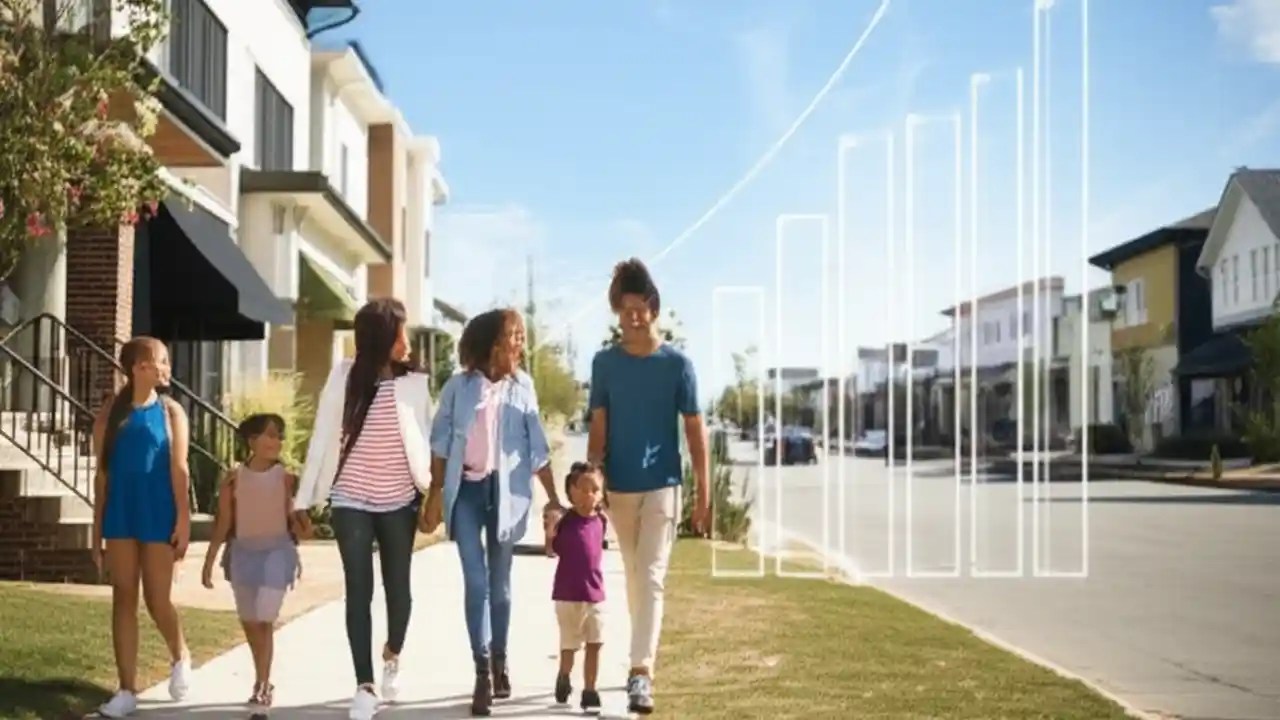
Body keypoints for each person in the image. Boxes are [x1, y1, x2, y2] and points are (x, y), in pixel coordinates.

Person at [293, 298, 435, 720]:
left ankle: (393, 651)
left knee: (400, 592)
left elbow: (429, 440)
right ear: (382, 337)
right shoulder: (343, 377)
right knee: (359, 589)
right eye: (400, 333)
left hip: (399, 500)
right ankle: (365, 684)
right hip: (351, 497)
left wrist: (435, 496)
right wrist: (303, 499)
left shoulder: (416, 383)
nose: (406, 341)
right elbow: (321, 439)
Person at [422, 307, 566, 717]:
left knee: (500, 584)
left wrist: (553, 499)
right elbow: (440, 442)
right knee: (475, 579)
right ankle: (482, 669)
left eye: (522, 336)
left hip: (507, 492)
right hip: (466, 492)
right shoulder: (457, 387)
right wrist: (435, 493)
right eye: (514, 336)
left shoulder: (524, 387)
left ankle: (501, 659)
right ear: (492, 344)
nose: (521, 343)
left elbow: (537, 448)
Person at [587, 258, 709, 715]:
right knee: (636, 581)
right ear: (617, 312)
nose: (634, 315)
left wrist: (703, 496)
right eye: (626, 307)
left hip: (663, 485)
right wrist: (593, 478)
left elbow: (696, 432)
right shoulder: (604, 363)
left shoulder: (678, 365)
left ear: (654, 310)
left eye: (642, 306)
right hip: (619, 487)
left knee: (652, 577)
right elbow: (599, 427)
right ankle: (641, 659)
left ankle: (641, 673)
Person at [92, 337, 194, 718]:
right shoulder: (109, 415)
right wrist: (95, 529)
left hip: (158, 513)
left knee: (157, 598)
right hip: (120, 514)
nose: (167, 368)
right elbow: (101, 477)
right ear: (138, 368)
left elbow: (179, 469)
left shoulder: (171, 413)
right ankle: (126, 690)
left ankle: (180, 654)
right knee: (123, 597)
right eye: (161, 361)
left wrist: (183, 520)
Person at [201, 413, 305, 718]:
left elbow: (300, 524)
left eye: (279, 436)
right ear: (252, 440)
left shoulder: (287, 478)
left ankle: (264, 682)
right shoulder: (233, 479)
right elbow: (223, 523)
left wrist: (301, 517)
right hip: (243, 554)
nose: (277, 441)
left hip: (277, 552)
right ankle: (261, 676)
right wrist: (208, 563)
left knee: (264, 617)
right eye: (270, 435)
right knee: (249, 620)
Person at [547, 461, 608, 716]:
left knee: (596, 642)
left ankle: (590, 690)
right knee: (570, 645)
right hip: (567, 595)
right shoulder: (566, 522)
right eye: (583, 489)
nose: (589, 494)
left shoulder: (601, 521)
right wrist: (550, 529)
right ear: (570, 491)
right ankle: (564, 674)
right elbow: (552, 550)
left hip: (595, 594)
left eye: (595, 489)